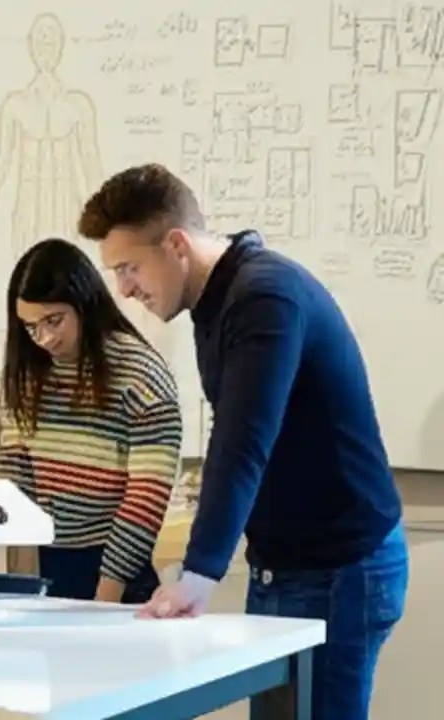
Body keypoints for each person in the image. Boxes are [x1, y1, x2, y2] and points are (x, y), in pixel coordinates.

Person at [80, 163, 406, 717]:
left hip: (340, 569)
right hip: (284, 564)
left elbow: (243, 441)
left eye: (130, 268)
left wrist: (200, 571)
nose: (124, 290)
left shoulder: (264, 297)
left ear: (176, 244)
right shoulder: (220, 301)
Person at [0, 238, 182, 602]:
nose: (43, 338)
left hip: (117, 565)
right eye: (30, 327)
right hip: (47, 558)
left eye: (53, 321)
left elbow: (146, 498)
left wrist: (108, 591)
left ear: (83, 304)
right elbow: (16, 461)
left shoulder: (140, 374)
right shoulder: (30, 370)